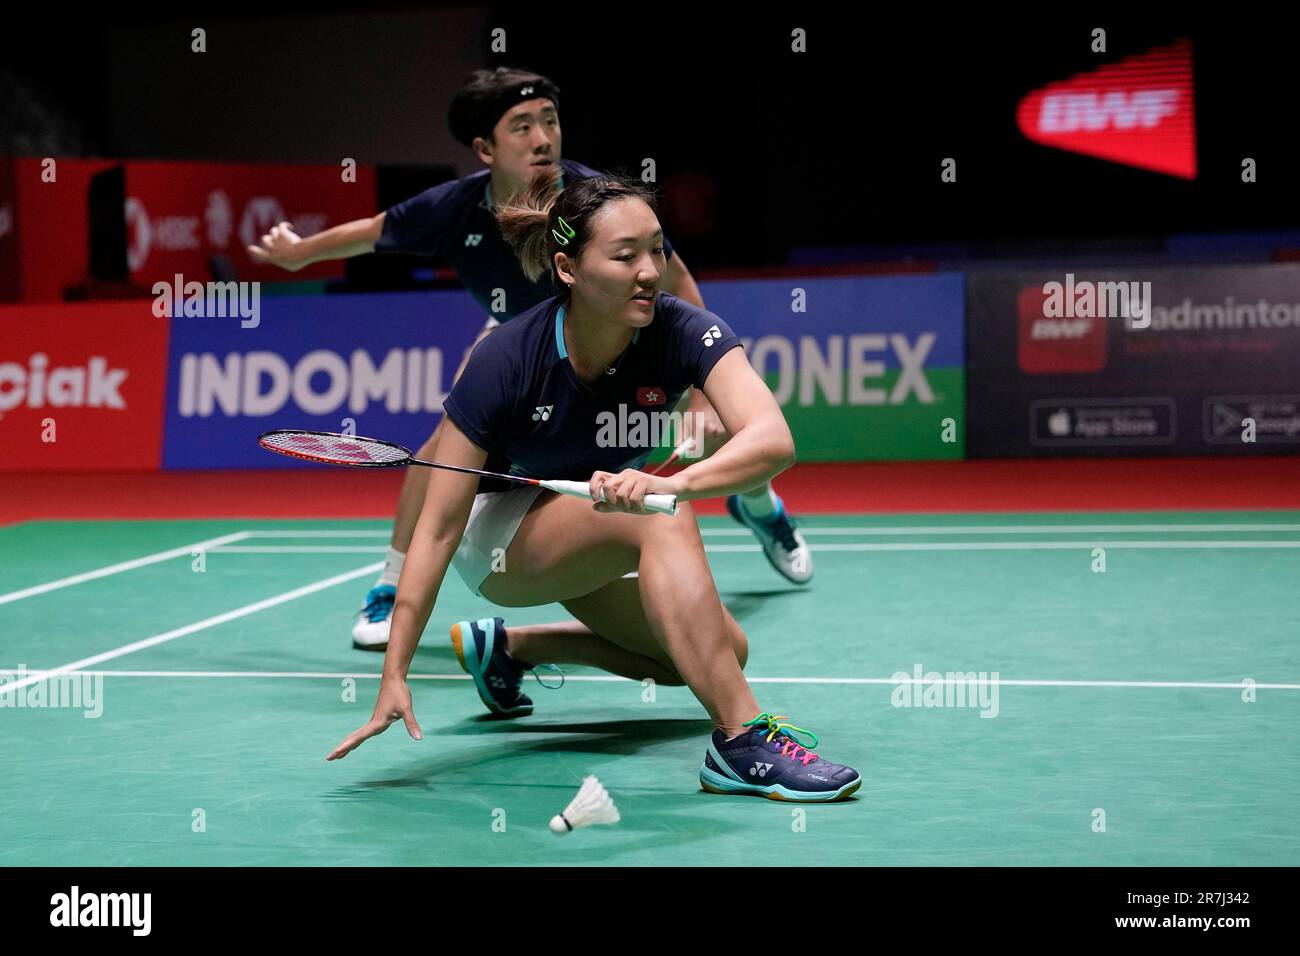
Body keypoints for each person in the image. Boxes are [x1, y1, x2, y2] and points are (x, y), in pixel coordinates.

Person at [324, 170, 859, 802]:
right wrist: (396, 670)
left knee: (716, 653)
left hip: (588, 509)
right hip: (498, 535)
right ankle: (741, 743)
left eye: (657, 249)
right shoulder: (507, 359)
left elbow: (773, 440)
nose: (649, 270)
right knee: (657, 519)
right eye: (624, 254)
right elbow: (438, 529)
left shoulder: (683, 330)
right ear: (568, 268)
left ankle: (514, 650)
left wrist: (675, 481)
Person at [247, 67, 813, 651]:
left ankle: (758, 506)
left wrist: (698, 393)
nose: (543, 137)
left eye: (550, 121)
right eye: (522, 126)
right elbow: (374, 231)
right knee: (446, 440)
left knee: (716, 426)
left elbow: (676, 280)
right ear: (485, 149)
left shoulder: (597, 203)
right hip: (529, 336)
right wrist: (299, 256)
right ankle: (391, 586)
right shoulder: (456, 208)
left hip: (626, 327)